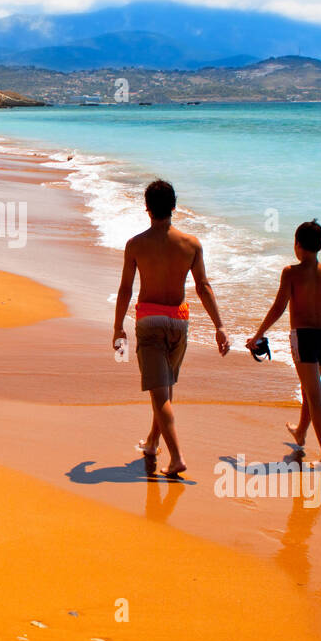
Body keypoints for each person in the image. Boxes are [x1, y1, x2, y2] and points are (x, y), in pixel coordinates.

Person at [112, 180, 230, 478]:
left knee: (160, 393)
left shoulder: (136, 244)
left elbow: (126, 289)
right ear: (174, 207)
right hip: (179, 322)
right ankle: (152, 442)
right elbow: (203, 287)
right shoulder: (191, 244)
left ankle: (177, 457)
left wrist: (118, 327)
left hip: (150, 322)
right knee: (164, 388)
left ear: (147, 208)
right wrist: (220, 326)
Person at [246, 220, 321, 470]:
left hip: (303, 338)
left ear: (297, 244)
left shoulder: (291, 272)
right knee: (310, 390)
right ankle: (301, 432)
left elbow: (279, 307)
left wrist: (258, 334)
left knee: (314, 393)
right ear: (320, 246)